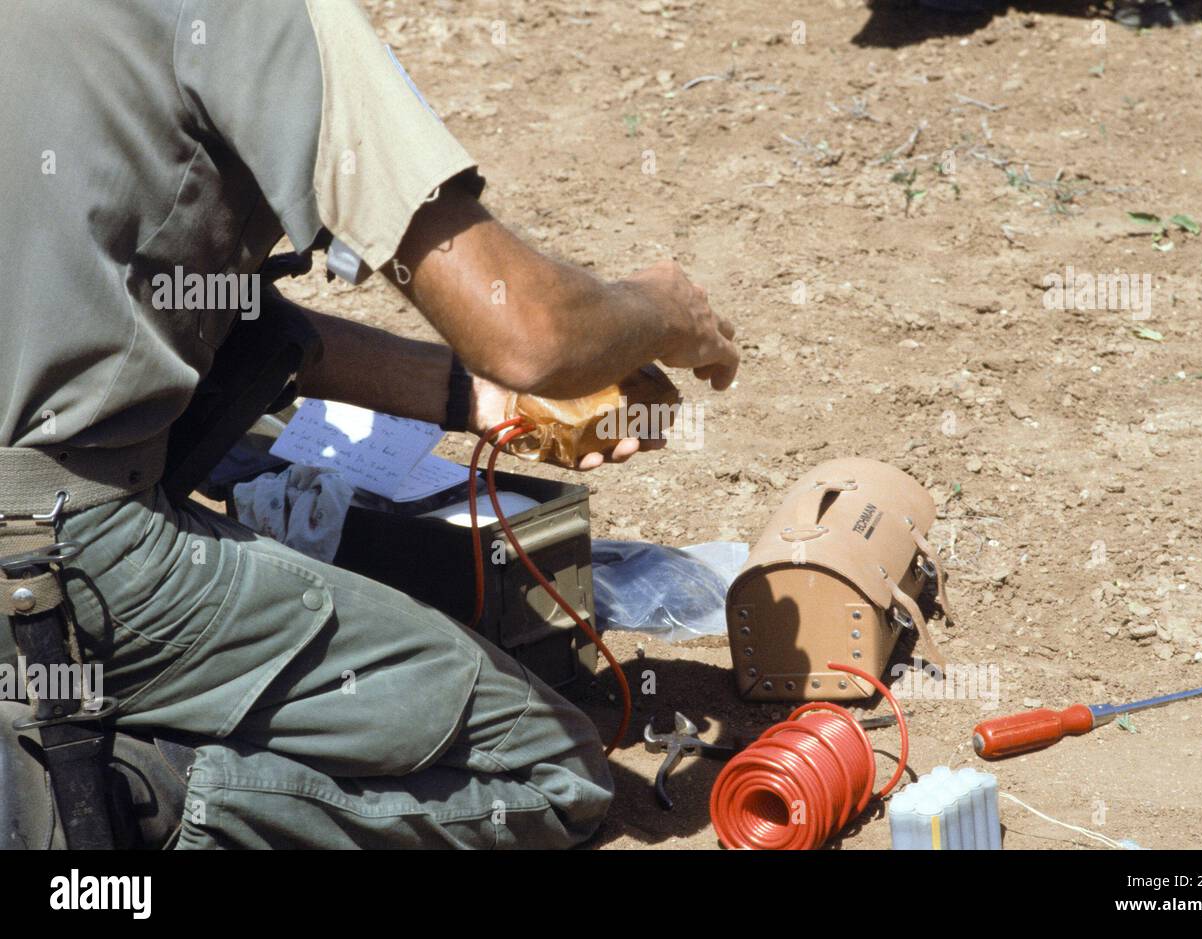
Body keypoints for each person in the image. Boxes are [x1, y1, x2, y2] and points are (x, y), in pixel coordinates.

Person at [0, 0, 738, 849]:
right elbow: (528, 330)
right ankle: (104, 801)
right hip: (60, 557)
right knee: (545, 770)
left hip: (44, 516)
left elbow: (184, 304)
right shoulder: (262, 17)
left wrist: (477, 399)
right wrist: (663, 310)